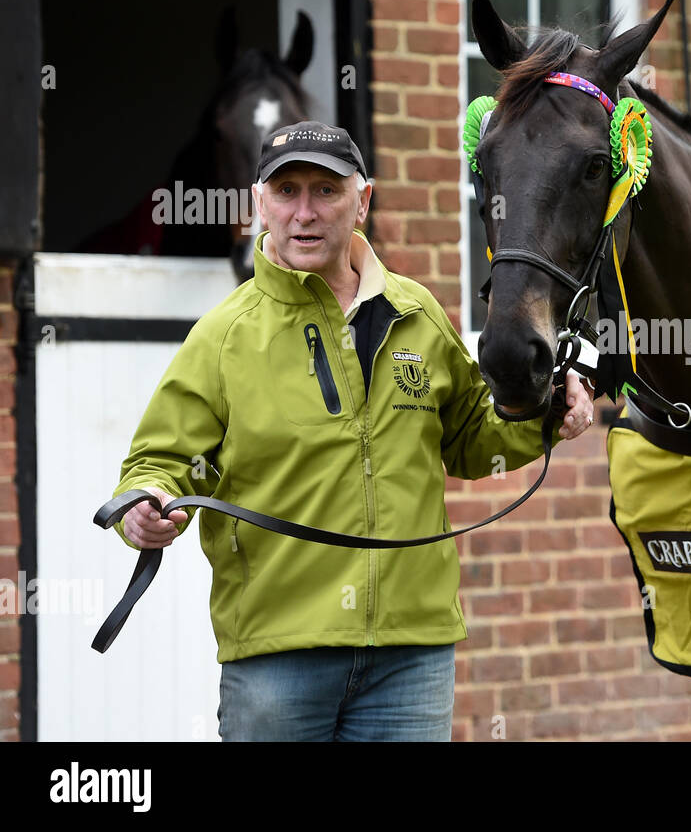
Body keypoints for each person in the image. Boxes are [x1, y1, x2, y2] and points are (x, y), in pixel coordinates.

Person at [110, 120, 596, 741]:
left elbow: (475, 438)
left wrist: (545, 412)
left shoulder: (417, 314)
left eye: (326, 191)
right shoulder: (223, 336)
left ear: (362, 202)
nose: (304, 213)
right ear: (261, 204)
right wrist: (142, 507)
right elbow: (158, 461)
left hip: (410, 656)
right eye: (286, 193)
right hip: (277, 657)